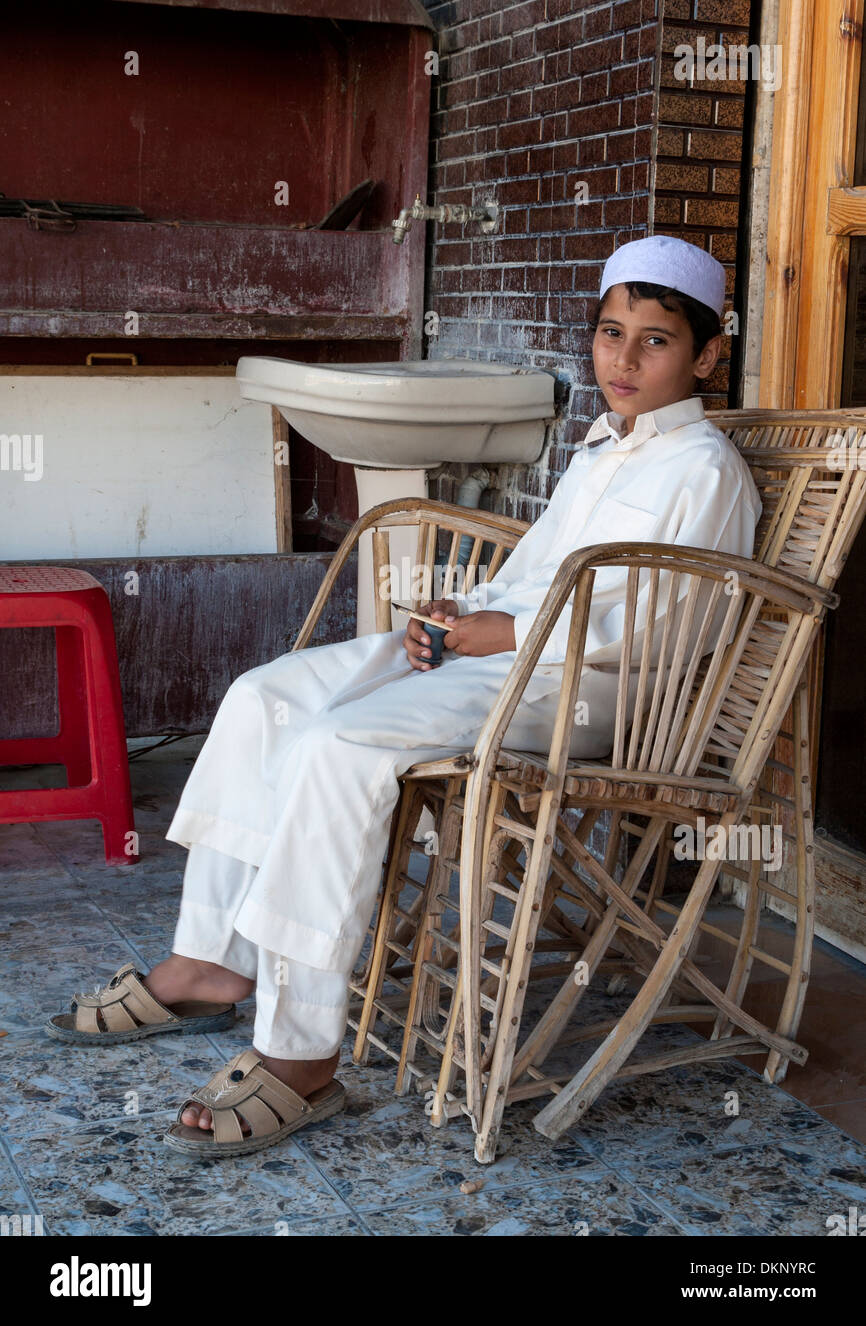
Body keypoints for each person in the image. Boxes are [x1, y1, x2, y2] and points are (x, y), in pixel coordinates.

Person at [45, 235, 763, 1157]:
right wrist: (459, 609)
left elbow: (671, 628)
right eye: (610, 332)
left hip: (584, 693)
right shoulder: (602, 451)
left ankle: (301, 1056)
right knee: (266, 698)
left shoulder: (702, 471)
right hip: (497, 654)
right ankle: (211, 959)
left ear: (704, 356)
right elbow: (533, 578)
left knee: (336, 748)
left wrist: (495, 635)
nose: (622, 361)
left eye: (655, 341)